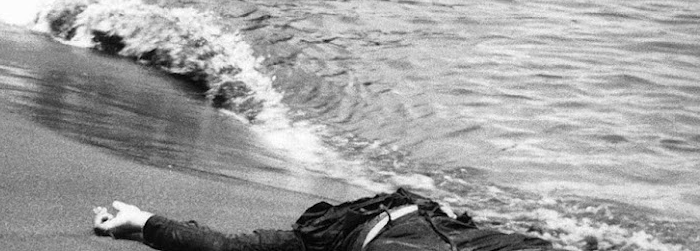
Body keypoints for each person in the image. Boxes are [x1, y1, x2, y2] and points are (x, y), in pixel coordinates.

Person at [92, 188, 554, 251]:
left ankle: (137, 219)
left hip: (433, 219)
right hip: (361, 227)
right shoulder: (309, 240)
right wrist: (143, 222)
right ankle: (136, 217)